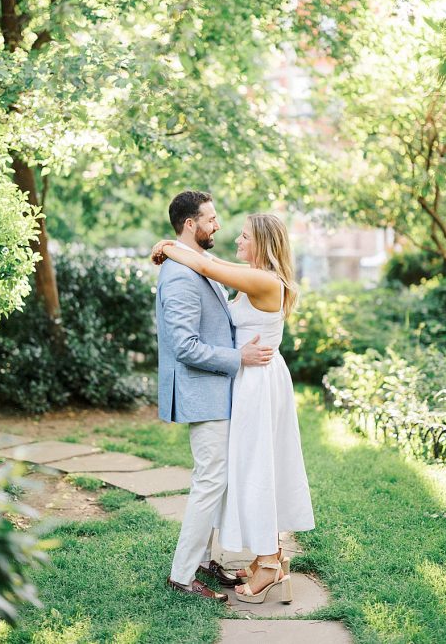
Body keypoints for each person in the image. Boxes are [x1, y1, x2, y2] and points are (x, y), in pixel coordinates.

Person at [153, 213, 315, 604]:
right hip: (248, 379)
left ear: (262, 243)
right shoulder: (251, 272)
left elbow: (209, 265)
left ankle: (270, 561)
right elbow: (215, 266)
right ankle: (268, 557)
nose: (236, 240)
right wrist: (174, 247)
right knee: (251, 469)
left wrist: (169, 247)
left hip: (257, 381)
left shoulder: (262, 280)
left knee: (256, 469)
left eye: (245, 236)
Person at [156, 190, 274, 601]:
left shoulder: (197, 265)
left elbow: (212, 270)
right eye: (211, 218)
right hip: (203, 393)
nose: (218, 225)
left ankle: (205, 563)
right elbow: (184, 346)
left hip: (219, 392)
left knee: (216, 481)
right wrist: (238, 357)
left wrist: (167, 247)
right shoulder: (180, 275)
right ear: (191, 224)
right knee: (210, 481)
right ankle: (182, 575)